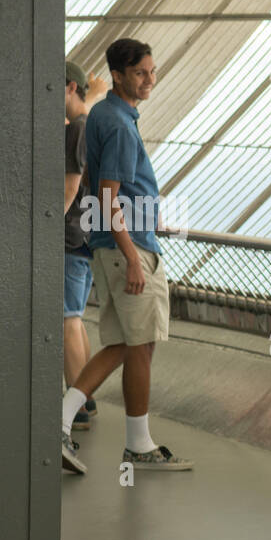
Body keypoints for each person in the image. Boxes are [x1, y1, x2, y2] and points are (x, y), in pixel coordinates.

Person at [59, 38, 192, 473]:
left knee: (121, 344)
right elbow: (108, 195)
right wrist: (134, 256)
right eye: (140, 73)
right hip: (126, 248)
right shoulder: (117, 123)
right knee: (141, 344)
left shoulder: (104, 115)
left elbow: (110, 191)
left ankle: (63, 422)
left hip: (111, 244)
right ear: (117, 76)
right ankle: (136, 445)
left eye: (152, 70)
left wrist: (146, 215)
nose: (150, 79)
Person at [62, 60, 98, 431]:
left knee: (66, 320)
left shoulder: (77, 129)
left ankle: (77, 407)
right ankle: (87, 396)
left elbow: (70, 186)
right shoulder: (92, 124)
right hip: (86, 238)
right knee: (76, 317)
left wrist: (45, 226)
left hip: (68, 238)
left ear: (71, 87)